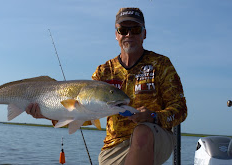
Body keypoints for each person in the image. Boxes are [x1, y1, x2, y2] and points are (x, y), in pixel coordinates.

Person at [26, 7, 187, 165]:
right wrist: (47, 115)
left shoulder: (161, 64)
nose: (129, 34)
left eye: (136, 29)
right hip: (114, 146)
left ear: (144, 34)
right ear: (116, 35)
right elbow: (84, 115)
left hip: (154, 137)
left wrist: (153, 117)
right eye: (123, 30)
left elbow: (180, 110)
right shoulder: (104, 71)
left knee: (142, 133)